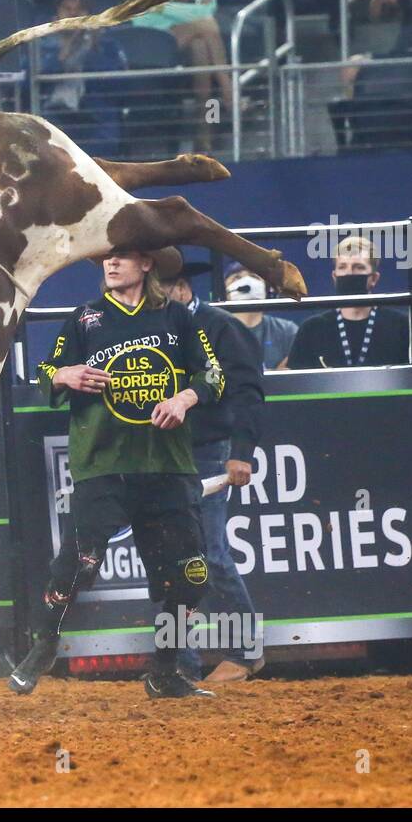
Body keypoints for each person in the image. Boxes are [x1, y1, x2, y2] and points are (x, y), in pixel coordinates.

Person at [8, 247, 224, 699]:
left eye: (123, 257)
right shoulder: (85, 318)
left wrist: (184, 399)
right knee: (76, 565)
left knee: (190, 574)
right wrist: (65, 375)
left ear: (147, 265)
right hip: (103, 464)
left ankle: (165, 670)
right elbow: (45, 370)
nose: (110, 264)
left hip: (167, 466)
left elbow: (214, 374)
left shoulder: (178, 317)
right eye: (106, 258)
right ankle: (43, 646)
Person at [163, 261, 265, 683]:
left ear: (182, 288)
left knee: (208, 553)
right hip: (163, 452)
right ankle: (181, 663)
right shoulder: (152, 330)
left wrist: (241, 451)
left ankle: (244, 650)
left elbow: (247, 391)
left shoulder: (220, 327)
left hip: (206, 450)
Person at [131, 0, 235, 150]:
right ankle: (228, 91)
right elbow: (139, 19)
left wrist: (162, 7)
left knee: (200, 46)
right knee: (207, 26)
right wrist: (183, 9)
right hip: (157, 41)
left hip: (190, 37)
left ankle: (203, 128)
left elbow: (208, 8)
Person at [287, 236, 411, 369]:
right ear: (334, 277)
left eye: (359, 267)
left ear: (374, 278)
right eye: (343, 267)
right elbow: (296, 384)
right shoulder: (311, 329)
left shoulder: (401, 326)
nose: (349, 273)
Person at [36, 0, 128, 159]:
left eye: (79, 11)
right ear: (56, 17)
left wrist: (94, 48)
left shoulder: (107, 45)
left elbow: (118, 83)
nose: (73, 15)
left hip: (95, 115)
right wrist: (61, 56)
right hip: (53, 114)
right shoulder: (41, 45)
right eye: (67, 10)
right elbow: (27, 84)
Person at [224, 261, 297, 370]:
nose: (247, 282)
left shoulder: (287, 331)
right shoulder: (215, 330)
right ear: (225, 291)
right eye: (237, 278)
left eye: (254, 276)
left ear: (267, 289)